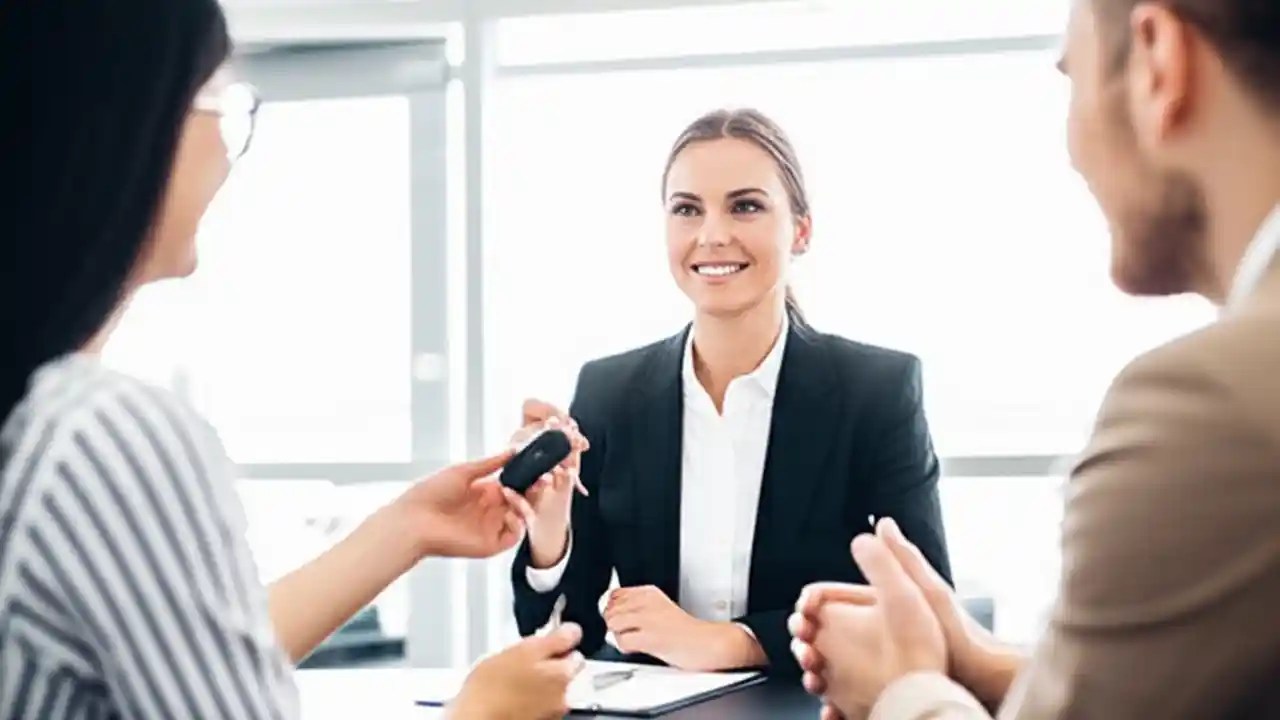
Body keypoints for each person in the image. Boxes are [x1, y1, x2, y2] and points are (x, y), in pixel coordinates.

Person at [0, 1, 583, 718]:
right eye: (221, 102)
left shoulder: (42, 424)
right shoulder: (105, 434)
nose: (228, 153)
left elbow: (197, 655)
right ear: (132, 123)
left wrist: (408, 526)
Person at [790, 0, 1280, 717]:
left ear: (1157, 63)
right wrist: (981, 663)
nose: (1073, 150)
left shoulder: (1209, 406)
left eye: (1072, 80)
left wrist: (903, 688)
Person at [506, 108, 953, 676]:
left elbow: (925, 613)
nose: (712, 235)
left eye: (745, 206)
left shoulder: (875, 391)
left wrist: (738, 642)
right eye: (687, 209)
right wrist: (550, 531)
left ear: (801, 231)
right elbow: (561, 639)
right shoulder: (610, 393)